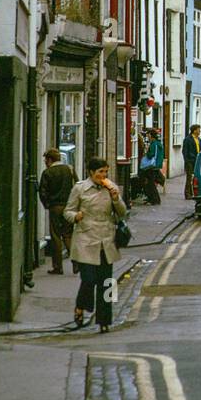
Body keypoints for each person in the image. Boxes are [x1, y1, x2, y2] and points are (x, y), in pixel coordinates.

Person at [65, 156, 128, 333]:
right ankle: (80, 306)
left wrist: (116, 199)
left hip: (106, 240)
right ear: (91, 172)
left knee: (107, 282)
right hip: (86, 239)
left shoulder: (111, 188)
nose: (104, 175)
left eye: (106, 171)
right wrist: (75, 216)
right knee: (89, 279)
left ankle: (105, 320)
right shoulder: (80, 189)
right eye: (100, 171)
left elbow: (123, 213)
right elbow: (67, 211)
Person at [38, 148, 76, 274]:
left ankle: (58, 267)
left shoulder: (48, 173)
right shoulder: (69, 170)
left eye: (46, 160)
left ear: (50, 159)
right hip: (69, 206)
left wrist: (47, 204)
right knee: (68, 235)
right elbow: (77, 185)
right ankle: (76, 263)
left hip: (55, 207)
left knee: (55, 236)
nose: (45, 162)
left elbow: (42, 191)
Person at [139, 128, 164, 205]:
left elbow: (151, 154)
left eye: (148, 135)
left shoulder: (154, 144)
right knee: (151, 183)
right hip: (156, 165)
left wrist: (146, 153)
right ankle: (153, 198)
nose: (147, 136)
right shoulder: (158, 143)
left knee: (150, 183)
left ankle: (154, 199)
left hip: (152, 166)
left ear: (151, 135)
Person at [182, 124, 201, 200]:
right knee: (189, 178)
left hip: (197, 161)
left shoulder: (199, 139)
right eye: (198, 129)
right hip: (190, 161)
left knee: (196, 178)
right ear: (194, 131)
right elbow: (184, 151)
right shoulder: (188, 139)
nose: (199, 131)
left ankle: (194, 193)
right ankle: (187, 194)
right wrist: (187, 161)